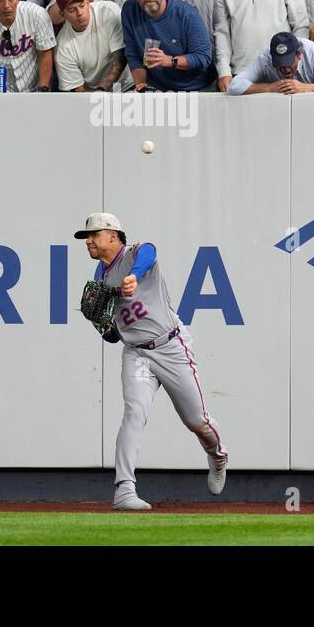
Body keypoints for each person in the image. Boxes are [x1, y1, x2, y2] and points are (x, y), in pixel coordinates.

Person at [74, 210, 227, 512]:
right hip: (136, 353)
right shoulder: (100, 277)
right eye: (86, 236)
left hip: (170, 347)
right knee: (134, 414)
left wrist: (132, 276)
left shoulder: (134, 254)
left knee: (196, 420)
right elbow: (114, 337)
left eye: (94, 234)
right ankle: (124, 491)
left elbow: (150, 251)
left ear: (113, 236)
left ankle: (218, 456)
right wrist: (101, 325)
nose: (89, 240)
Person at [121, 0, 215, 92]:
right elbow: (133, 54)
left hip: (197, 87)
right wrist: (141, 86)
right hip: (158, 87)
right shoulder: (129, 10)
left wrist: (170, 61)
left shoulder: (186, 14)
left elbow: (203, 57)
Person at [54, 0, 127, 92]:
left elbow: (120, 60)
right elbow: (79, 90)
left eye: (82, 6)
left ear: (88, 3)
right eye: (72, 10)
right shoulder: (62, 46)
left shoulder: (108, 11)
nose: (79, 13)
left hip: (126, 85)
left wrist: (101, 90)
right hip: (91, 95)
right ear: (62, 14)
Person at [227, 30, 314, 93]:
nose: (285, 69)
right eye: (279, 64)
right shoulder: (265, 58)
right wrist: (270, 87)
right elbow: (233, 86)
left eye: (288, 63)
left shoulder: (313, 52)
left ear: (299, 55)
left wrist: (305, 88)